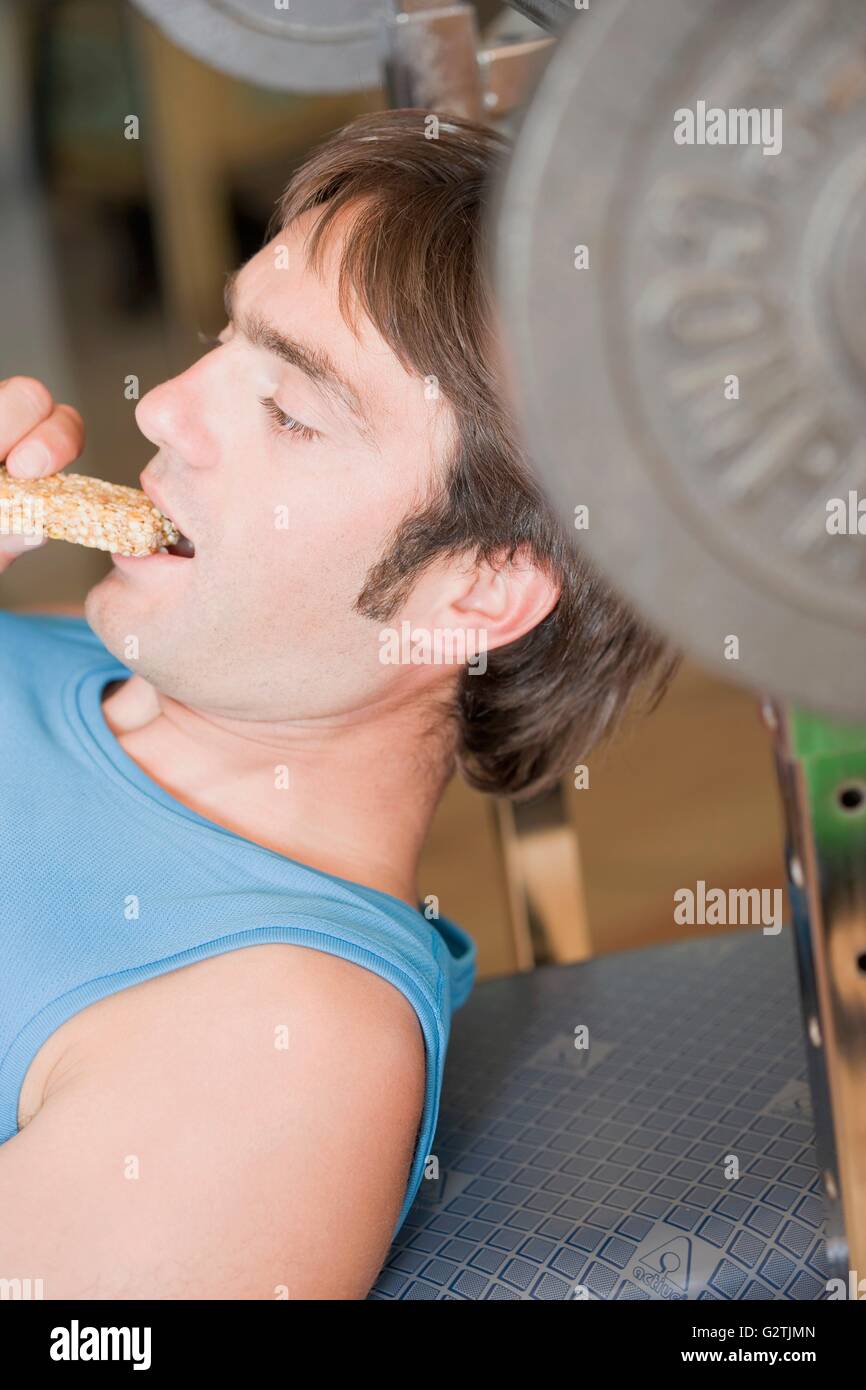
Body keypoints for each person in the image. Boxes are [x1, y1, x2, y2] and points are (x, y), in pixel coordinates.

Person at [0, 109, 679, 1299]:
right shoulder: (56, 653)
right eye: (224, 340)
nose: (163, 406)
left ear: (474, 592)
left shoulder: (287, 1046)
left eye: (289, 409)